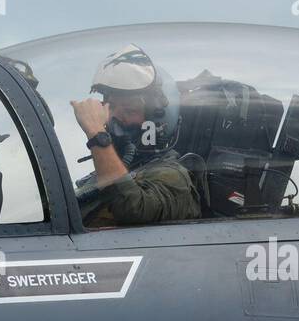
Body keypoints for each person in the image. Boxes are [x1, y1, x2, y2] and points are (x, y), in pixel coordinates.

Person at [71, 45, 202, 226]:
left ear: (157, 121)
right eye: (111, 106)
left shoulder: (172, 175)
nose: (114, 117)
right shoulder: (113, 171)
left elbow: (134, 210)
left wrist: (98, 137)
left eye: (129, 110)